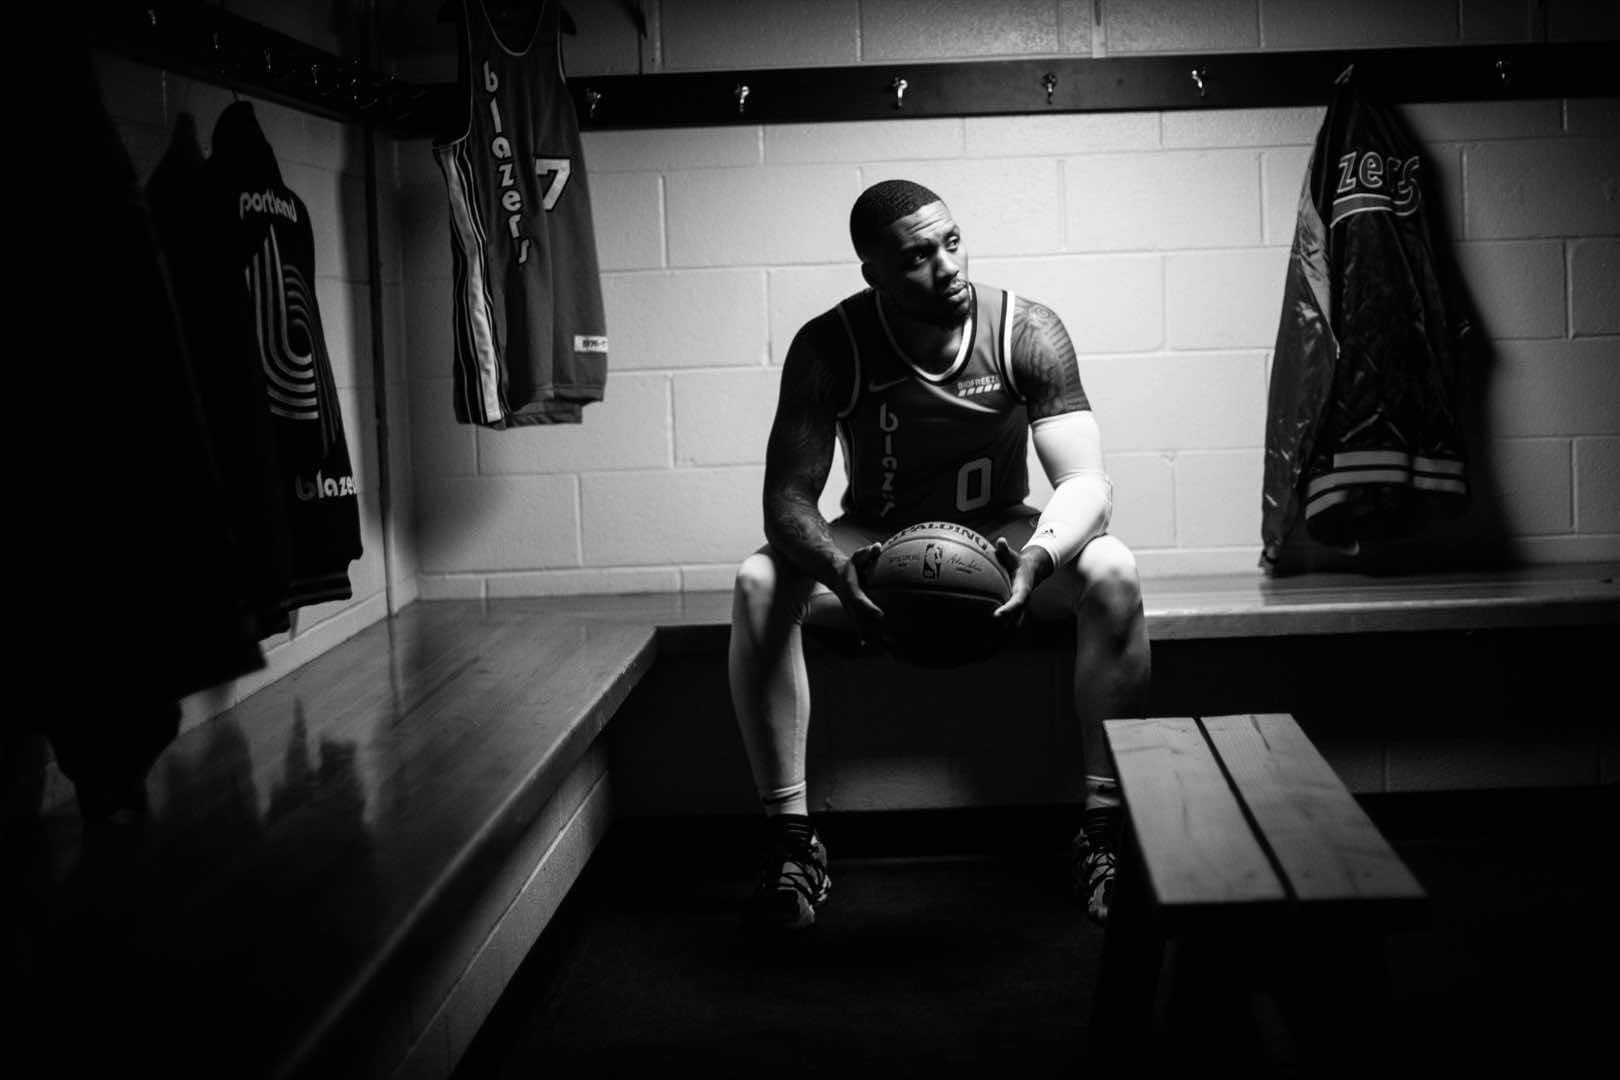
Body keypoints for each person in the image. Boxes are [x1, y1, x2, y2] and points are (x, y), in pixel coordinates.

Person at [728, 179, 1151, 931]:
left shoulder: (1027, 329)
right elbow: (787, 501)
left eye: (951, 242)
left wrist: (1039, 559)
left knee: (1114, 569)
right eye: (919, 256)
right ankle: (791, 842)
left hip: (1002, 539)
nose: (947, 265)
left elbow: (1087, 482)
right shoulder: (831, 345)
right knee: (758, 580)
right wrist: (839, 572)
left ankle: (1104, 834)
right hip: (879, 543)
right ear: (876, 275)